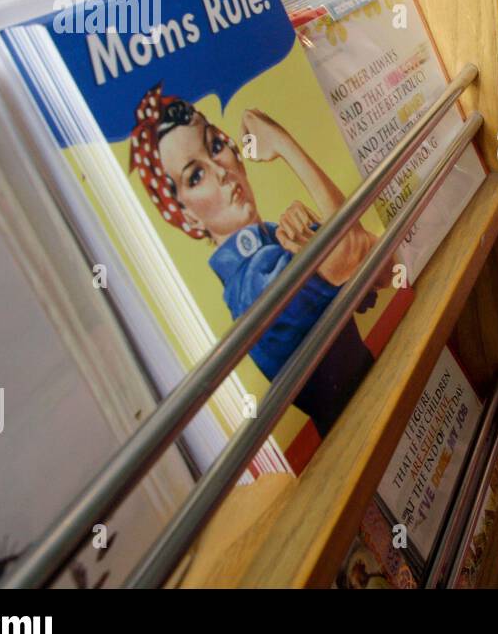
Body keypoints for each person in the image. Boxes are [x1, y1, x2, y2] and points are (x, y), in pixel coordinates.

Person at [130, 84, 387, 436]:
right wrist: (284, 144)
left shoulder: (277, 235)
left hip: (386, 388)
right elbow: (356, 252)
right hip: (358, 434)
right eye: (196, 175)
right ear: (186, 216)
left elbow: (381, 270)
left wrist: (323, 245)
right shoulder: (252, 284)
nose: (221, 171)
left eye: (215, 146)